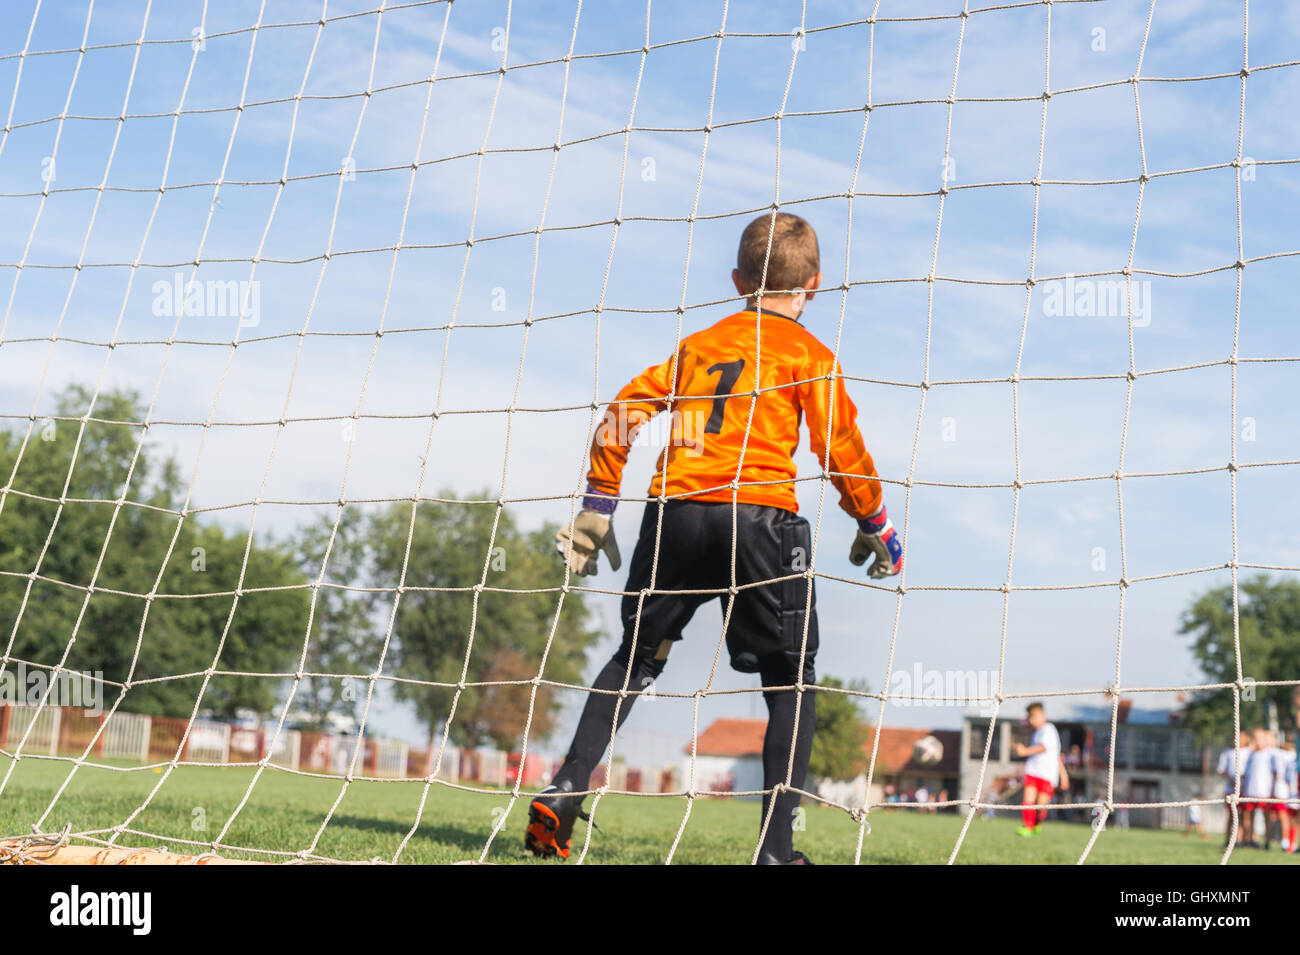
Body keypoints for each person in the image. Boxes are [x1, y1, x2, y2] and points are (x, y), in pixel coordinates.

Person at [525, 212, 902, 865]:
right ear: (814, 284)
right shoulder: (809, 354)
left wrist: (598, 501)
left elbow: (623, 411)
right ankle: (776, 852)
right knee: (792, 678)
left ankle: (563, 788)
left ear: (735, 281)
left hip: (676, 513)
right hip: (759, 519)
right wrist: (875, 522)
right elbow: (841, 448)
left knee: (637, 656)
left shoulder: (699, 346)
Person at [1013, 702, 1066, 836]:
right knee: (1028, 800)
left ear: (1042, 715)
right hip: (1033, 771)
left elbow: (1044, 748)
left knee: (1041, 806)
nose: (1032, 720)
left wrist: (1025, 751)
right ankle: (1027, 827)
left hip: (1047, 774)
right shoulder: (1036, 733)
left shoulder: (1049, 729)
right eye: (1030, 718)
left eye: (1034, 717)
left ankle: (1037, 824)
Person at [1218, 729, 1251, 847]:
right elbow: (1221, 770)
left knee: (1245, 815)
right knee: (1231, 815)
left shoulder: (1249, 752)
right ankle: (1229, 839)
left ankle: (1244, 839)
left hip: (1246, 789)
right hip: (1230, 789)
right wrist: (1231, 780)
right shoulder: (1227, 752)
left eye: (1241, 737)